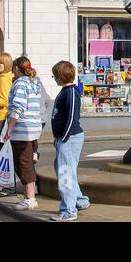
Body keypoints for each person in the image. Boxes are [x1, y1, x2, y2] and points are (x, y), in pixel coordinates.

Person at [50, 60, 91, 222]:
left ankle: (68, 210)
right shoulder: (65, 91)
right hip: (65, 138)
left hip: (70, 139)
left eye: (55, 76)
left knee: (65, 174)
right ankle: (80, 201)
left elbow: (72, 118)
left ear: (61, 76)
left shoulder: (71, 92)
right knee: (67, 171)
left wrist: (63, 139)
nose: (54, 79)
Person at [2, 55, 44, 210]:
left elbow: (18, 107)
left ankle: (30, 198)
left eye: (13, 69)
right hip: (33, 128)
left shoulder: (20, 83)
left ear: (17, 69)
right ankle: (30, 196)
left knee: (23, 163)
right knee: (28, 162)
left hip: (22, 130)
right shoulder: (34, 82)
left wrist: (9, 128)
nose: (12, 72)